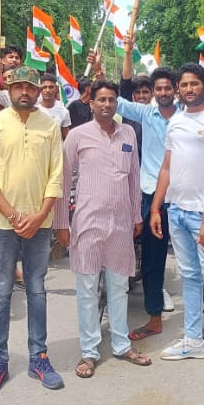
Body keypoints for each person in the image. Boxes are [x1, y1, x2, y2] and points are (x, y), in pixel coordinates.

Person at [0, 65, 65, 396]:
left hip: (39, 225)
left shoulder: (50, 125)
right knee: (0, 292)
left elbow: (56, 174)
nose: (25, 92)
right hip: (3, 225)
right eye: (19, 87)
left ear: (39, 90)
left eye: (31, 86)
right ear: (8, 89)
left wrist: (40, 214)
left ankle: (38, 357)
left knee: (37, 290)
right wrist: (14, 216)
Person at [53, 79, 151, 378]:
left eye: (111, 100)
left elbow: (134, 178)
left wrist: (136, 216)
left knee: (119, 286)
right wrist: (61, 222)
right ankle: (90, 352)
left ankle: (122, 345)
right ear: (91, 103)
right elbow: (62, 179)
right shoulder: (78, 137)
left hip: (121, 224)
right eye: (101, 100)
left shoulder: (129, 135)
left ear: (117, 103)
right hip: (87, 223)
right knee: (87, 290)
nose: (107, 105)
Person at [150, 62, 204, 388]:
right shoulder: (176, 122)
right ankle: (193, 340)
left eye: (193, 84)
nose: (188, 89)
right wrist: (157, 207)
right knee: (189, 278)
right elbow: (167, 168)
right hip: (177, 212)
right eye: (183, 85)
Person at [111, 42, 180, 340]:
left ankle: (195, 326)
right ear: (153, 91)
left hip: (183, 196)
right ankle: (154, 318)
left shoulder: (189, 118)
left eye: (168, 88)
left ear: (175, 89)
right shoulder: (145, 114)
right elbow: (121, 91)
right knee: (152, 260)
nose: (163, 93)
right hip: (151, 196)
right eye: (158, 89)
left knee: (193, 263)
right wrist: (125, 54)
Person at [37, 71, 72, 140]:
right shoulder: (33, 110)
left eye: (51, 87)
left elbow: (66, 137)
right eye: (44, 87)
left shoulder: (64, 112)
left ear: (56, 88)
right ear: (40, 89)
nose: (47, 90)